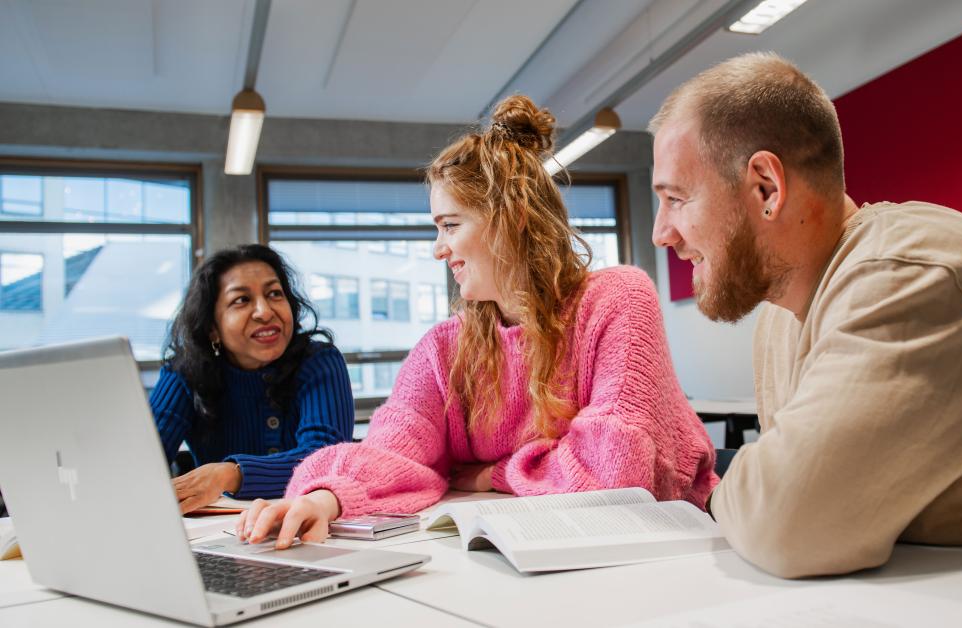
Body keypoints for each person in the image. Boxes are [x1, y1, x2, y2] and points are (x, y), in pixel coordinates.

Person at [648, 52, 962, 577]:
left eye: (676, 198)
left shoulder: (915, 277)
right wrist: (760, 483)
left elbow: (789, 526)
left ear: (766, 189)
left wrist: (731, 485)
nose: (662, 233)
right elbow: (789, 510)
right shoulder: (779, 314)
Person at [238, 95, 719, 548]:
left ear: (513, 220)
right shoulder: (444, 348)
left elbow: (614, 471)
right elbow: (393, 448)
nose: (438, 248)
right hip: (543, 549)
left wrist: (495, 473)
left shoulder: (616, 299)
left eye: (450, 225)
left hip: (665, 548)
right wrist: (326, 498)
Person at [152, 244, 354, 513]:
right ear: (212, 328)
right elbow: (142, 461)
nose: (265, 311)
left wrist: (230, 474)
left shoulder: (318, 361)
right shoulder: (184, 373)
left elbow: (324, 457)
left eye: (274, 294)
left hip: (306, 524)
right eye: (242, 300)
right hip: (221, 534)